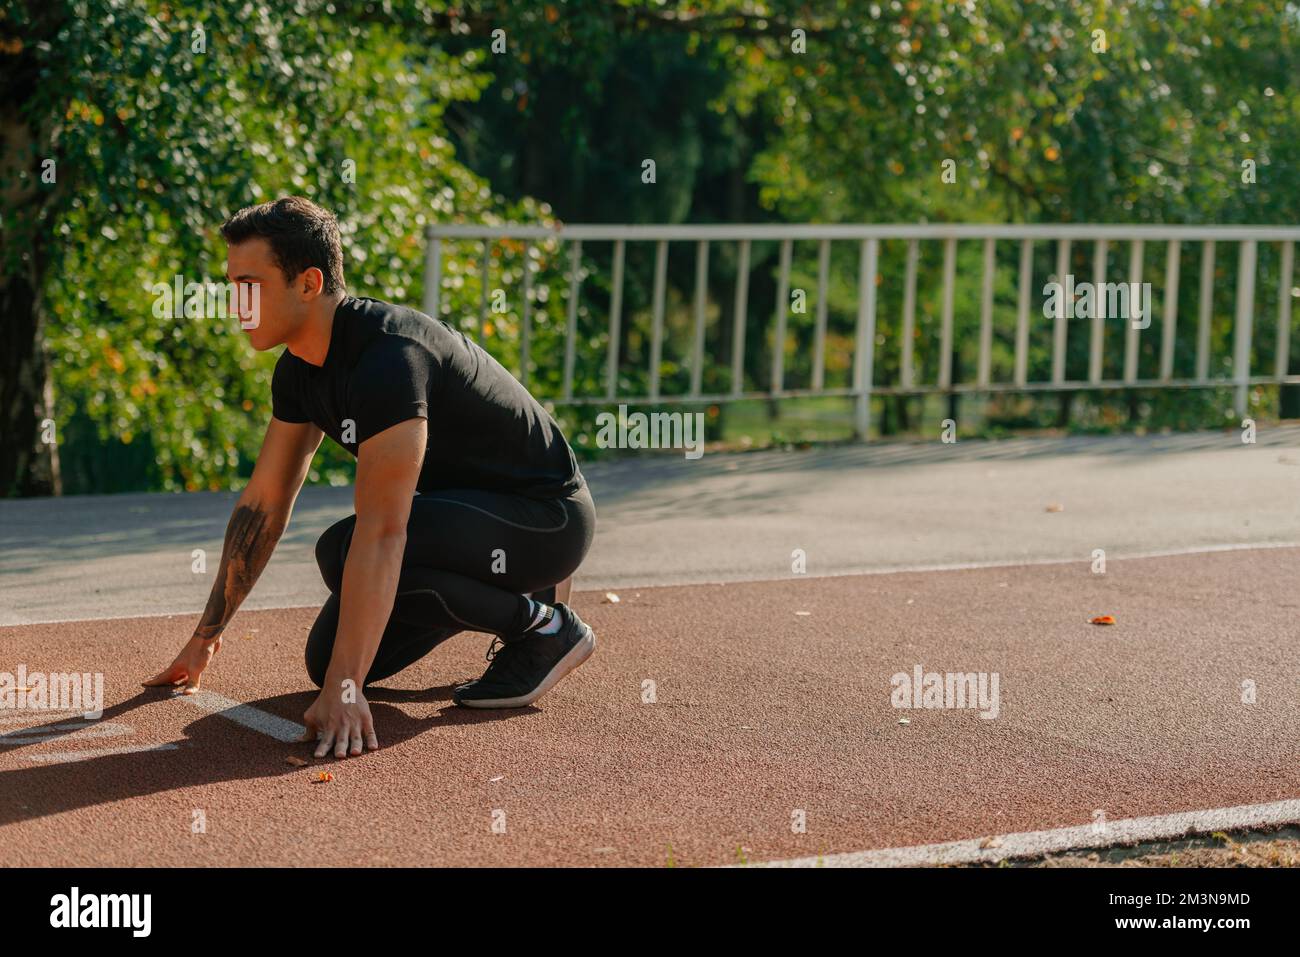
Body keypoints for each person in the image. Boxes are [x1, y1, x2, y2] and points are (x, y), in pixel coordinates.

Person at [144, 196, 597, 759]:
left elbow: (385, 531)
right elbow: (264, 503)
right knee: (327, 659)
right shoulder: (299, 371)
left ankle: (541, 626)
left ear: (308, 283)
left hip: (545, 518)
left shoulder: (388, 356)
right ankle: (519, 593)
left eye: (249, 284)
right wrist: (206, 638)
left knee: (343, 551)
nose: (236, 302)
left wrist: (348, 687)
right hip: (472, 528)